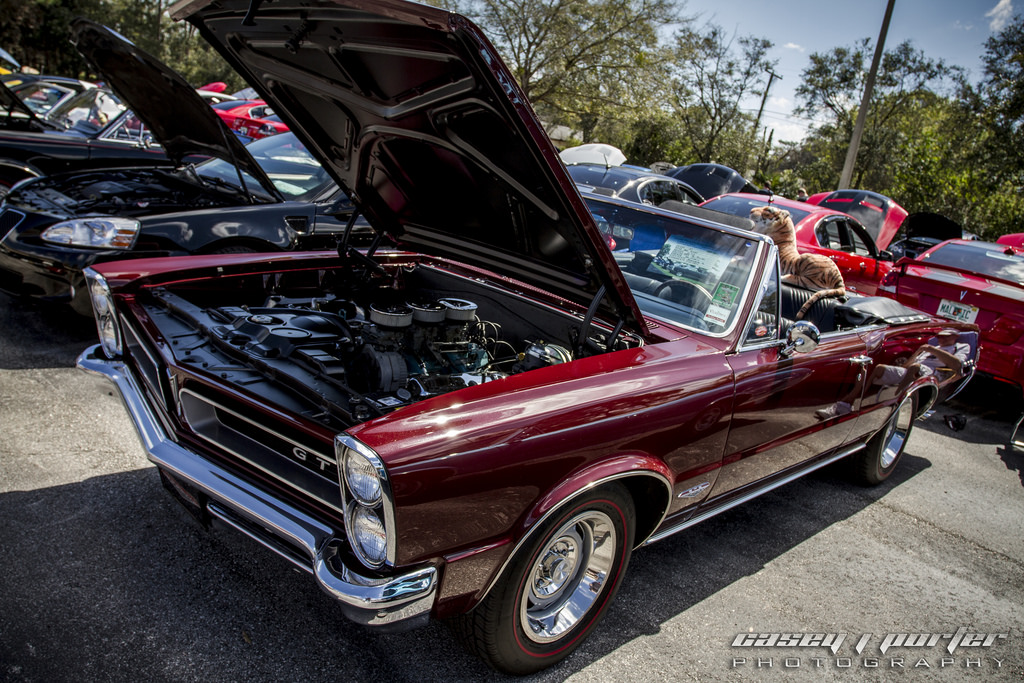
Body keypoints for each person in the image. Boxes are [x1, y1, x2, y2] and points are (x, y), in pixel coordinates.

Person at [815, 329, 971, 420]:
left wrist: (931, 349)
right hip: (913, 371)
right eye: (940, 336)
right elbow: (906, 367)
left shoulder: (960, 347)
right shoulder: (926, 348)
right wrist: (918, 352)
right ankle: (847, 403)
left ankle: (894, 407)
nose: (942, 338)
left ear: (955, 336)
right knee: (878, 368)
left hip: (933, 375)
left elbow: (958, 365)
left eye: (946, 336)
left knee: (915, 368)